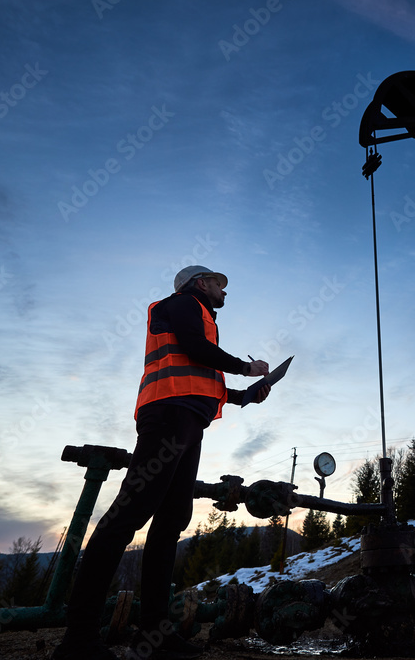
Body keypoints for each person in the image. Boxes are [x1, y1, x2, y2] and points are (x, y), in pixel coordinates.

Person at [53, 265, 271, 660]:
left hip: (187, 418)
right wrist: (246, 366)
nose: (225, 292)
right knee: (128, 515)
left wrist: (246, 395)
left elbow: (201, 373)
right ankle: (79, 639)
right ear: (201, 282)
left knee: (171, 520)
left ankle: (153, 635)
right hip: (170, 415)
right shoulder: (183, 304)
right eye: (220, 284)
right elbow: (193, 349)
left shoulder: (199, 318)